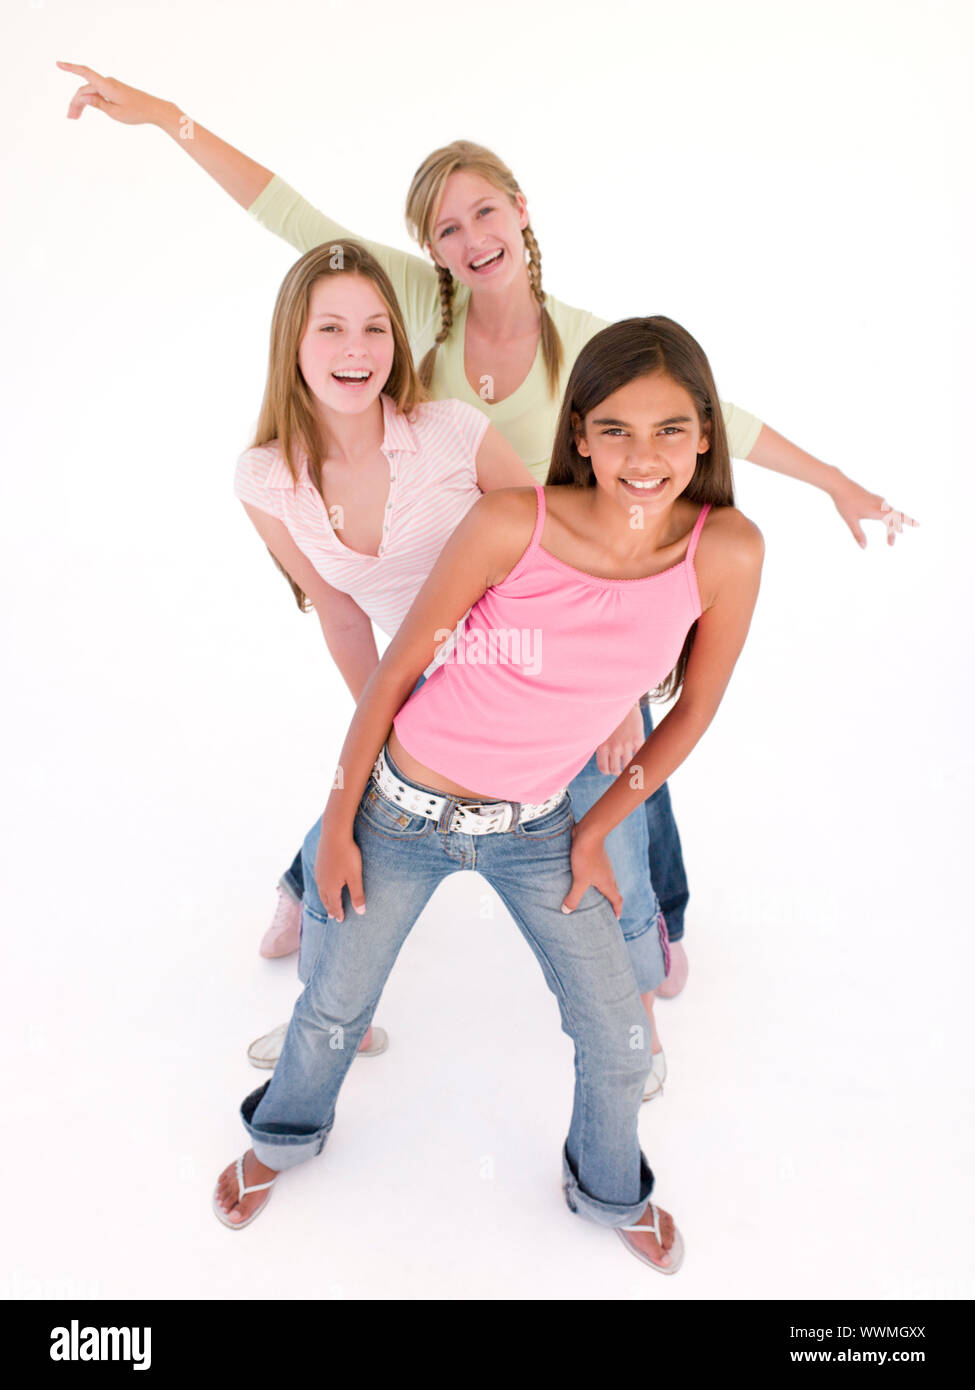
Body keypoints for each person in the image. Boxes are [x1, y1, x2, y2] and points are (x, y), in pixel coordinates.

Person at [56, 64, 916, 998]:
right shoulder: (417, 310)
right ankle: (311, 881)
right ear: (429, 251)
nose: (470, 240)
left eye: (482, 214)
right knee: (388, 744)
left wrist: (835, 482)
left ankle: (656, 917)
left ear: (520, 211)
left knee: (620, 741)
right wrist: (163, 118)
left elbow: (719, 419)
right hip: (438, 591)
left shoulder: (582, 341)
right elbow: (287, 213)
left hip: (538, 601)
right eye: (444, 230)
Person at [213, 314, 765, 1276]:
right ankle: (281, 1141)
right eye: (618, 431)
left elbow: (690, 717)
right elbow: (393, 677)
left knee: (619, 1034)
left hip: (540, 826)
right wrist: (334, 832)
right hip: (399, 811)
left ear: (706, 435)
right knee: (333, 1007)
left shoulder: (728, 551)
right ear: (581, 433)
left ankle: (607, 1189)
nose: (644, 456)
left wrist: (595, 830)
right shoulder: (516, 521)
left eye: (671, 429)